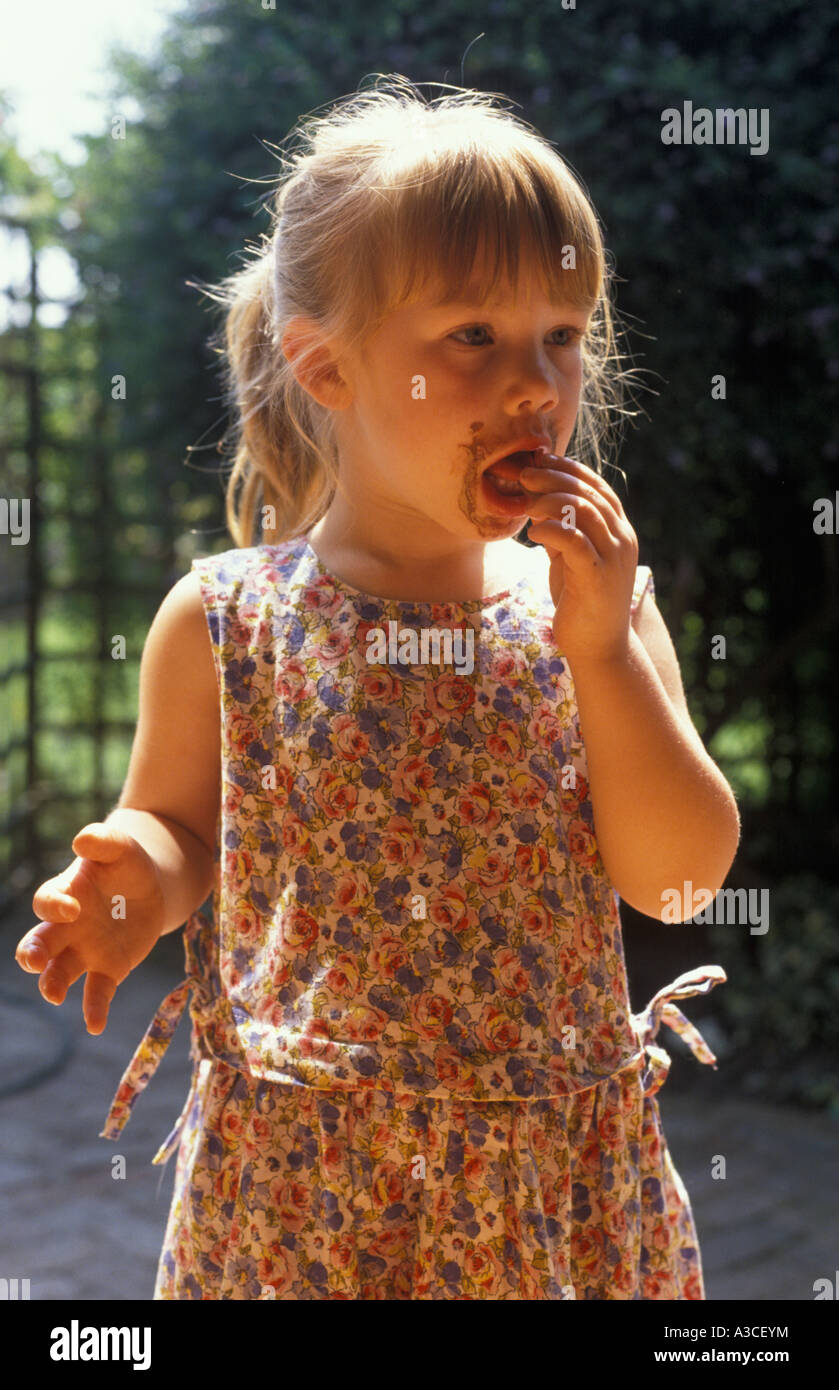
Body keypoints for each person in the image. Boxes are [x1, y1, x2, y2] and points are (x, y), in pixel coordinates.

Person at [15, 76, 740, 1300]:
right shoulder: (228, 619)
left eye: (561, 335)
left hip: (545, 1187)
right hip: (305, 1194)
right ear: (327, 367)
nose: (534, 383)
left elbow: (676, 877)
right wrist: (135, 875)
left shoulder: (593, 613)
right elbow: (189, 829)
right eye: (473, 336)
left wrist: (604, 654)